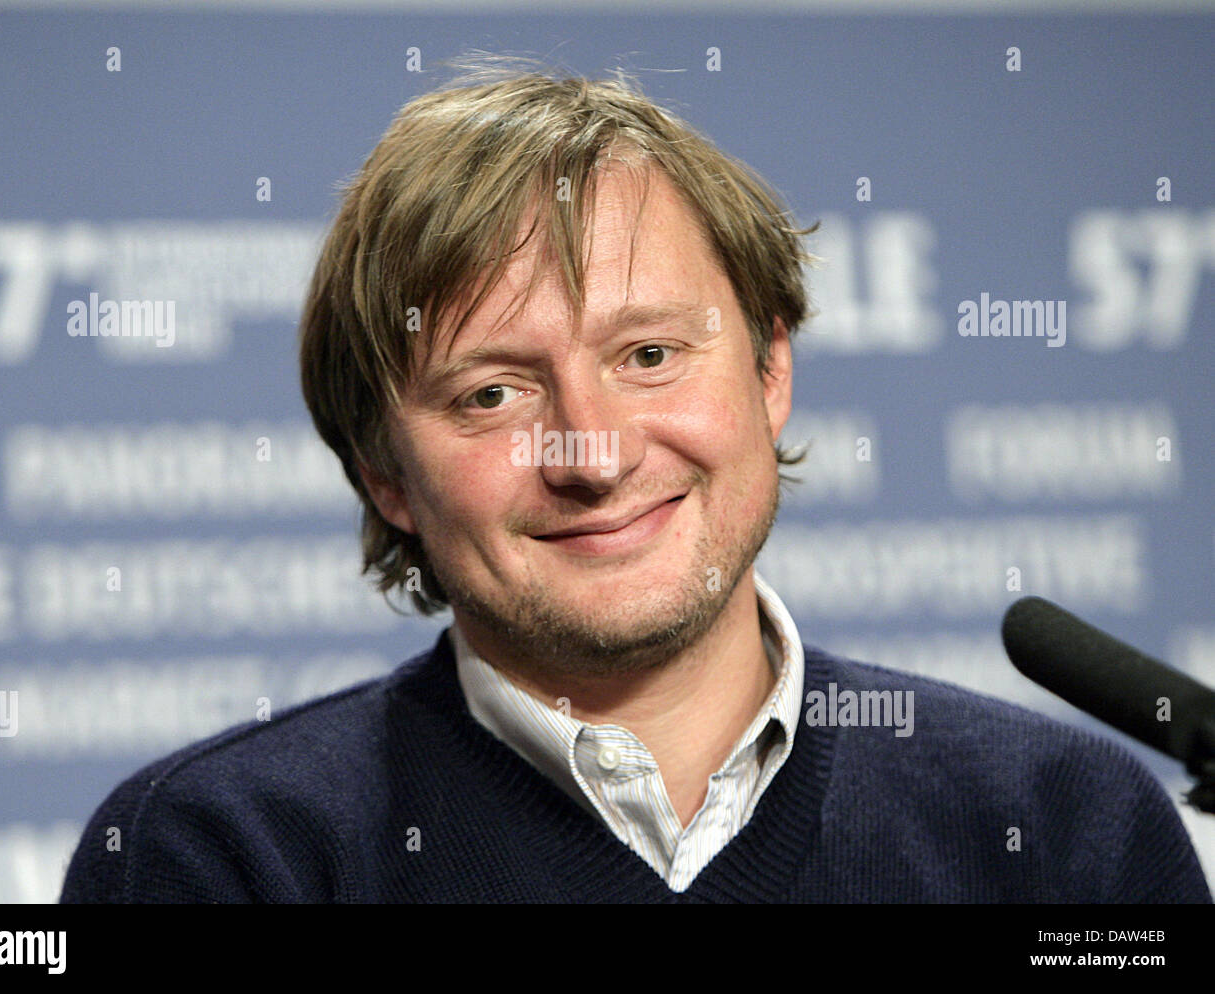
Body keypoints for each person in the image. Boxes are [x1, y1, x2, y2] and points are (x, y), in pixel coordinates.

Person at [61, 62, 1210, 903]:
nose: (595, 455)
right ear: (385, 477)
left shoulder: (1062, 830)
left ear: (770, 370)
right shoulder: (224, 858)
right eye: (491, 395)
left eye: (649, 356)